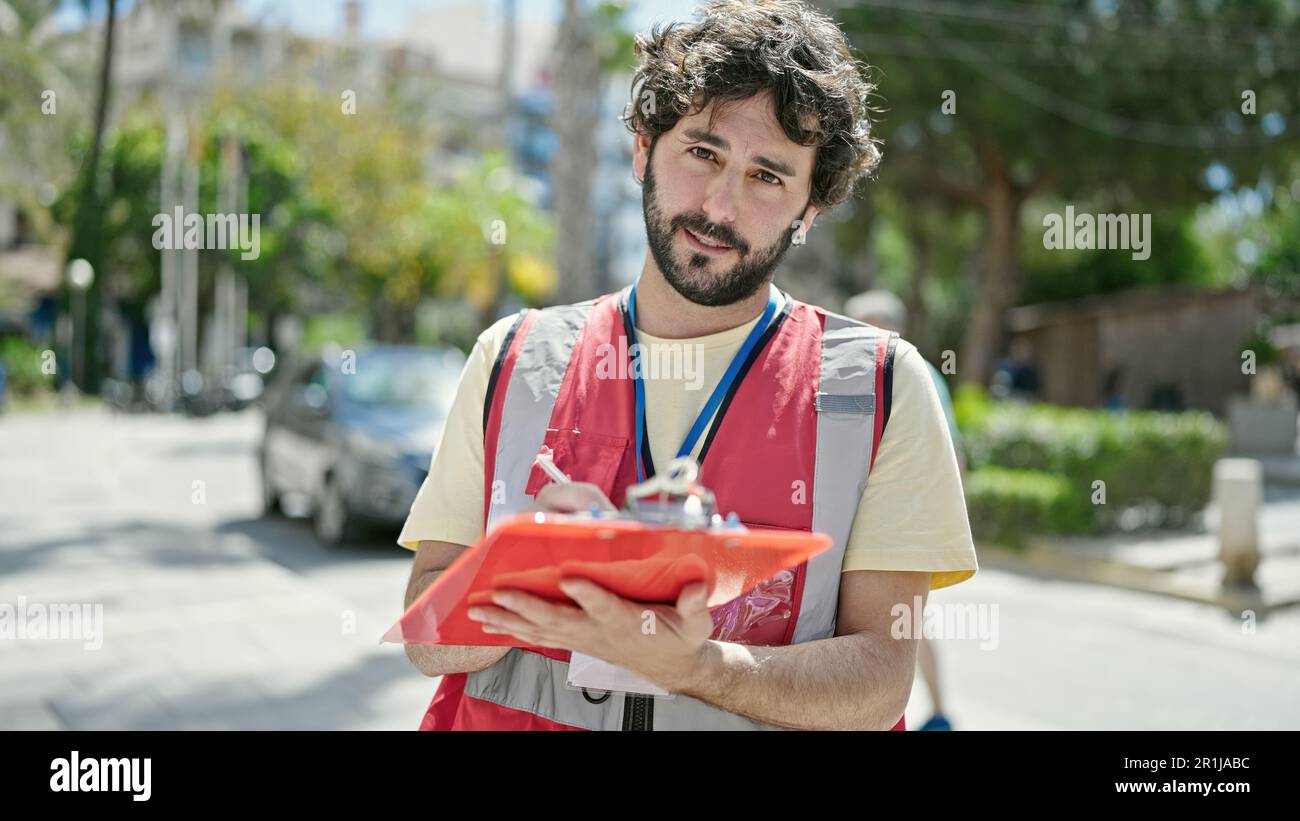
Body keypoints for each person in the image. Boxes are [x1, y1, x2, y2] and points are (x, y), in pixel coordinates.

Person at [398, 0, 978, 731]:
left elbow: (880, 683)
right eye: (702, 152)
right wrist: (535, 566)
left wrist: (698, 669)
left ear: (810, 211)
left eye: (768, 176)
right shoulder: (513, 357)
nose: (719, 205)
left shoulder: (883, 388)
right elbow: (426, 636)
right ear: (644, 146)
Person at [844, 289, 961, 731]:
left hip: (901, 526)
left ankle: (934, 713)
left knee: (902, 625)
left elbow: (949, 455)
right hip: (862, 522)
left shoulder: (916, 376)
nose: (860, 335)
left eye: (869, 325)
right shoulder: (853, 374)